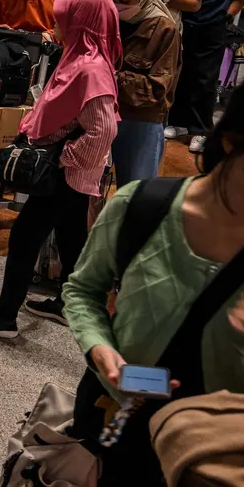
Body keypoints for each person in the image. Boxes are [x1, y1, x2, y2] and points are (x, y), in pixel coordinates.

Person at [62, 88, 244, 487]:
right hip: (114, 417)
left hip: (209, 455)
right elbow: (82, 291)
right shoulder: (141, 206)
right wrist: (100, 349)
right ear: (232, 142)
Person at [0, 0, 120, 339]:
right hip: (73, 171)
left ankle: (4, 317)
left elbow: (104, 129)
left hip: (66, 172)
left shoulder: (90, 69)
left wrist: (64, 159)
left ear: (81, 23)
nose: (54, 23)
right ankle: (71, 303)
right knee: (71, 234)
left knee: (25, 234)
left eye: (62, 18)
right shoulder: (81, 57)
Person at [168, 0, 244, 153]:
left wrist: (227, 16)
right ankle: (178, 122)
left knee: (205, 78)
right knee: (181, 72)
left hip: (213, 21)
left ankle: (201, 129)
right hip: (184, 19)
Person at [102, 0, 181, 185]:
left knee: (136, 188)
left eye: (124, 1)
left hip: (139, 120)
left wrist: (112, 78)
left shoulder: (164, 30)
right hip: (102, 113)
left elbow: (157, 88)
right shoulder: (105, 20)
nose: (116, 6)